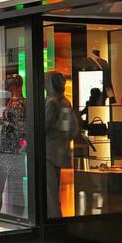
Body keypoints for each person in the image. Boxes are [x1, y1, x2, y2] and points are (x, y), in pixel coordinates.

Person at [44, 71, 80, 216]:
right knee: (53, 190)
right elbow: (69, 129)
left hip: (48, 151)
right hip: (59, 151)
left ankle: (54, 222)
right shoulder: (65, 101)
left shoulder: (51, 103)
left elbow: (43, 127)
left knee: (50, 192)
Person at [0, 73, 27, 215]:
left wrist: (3, 122)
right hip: (8, 148)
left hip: (12, 149)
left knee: (12, 185)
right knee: (2, 185)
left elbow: (20, 126)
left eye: (9, 85)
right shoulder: (14, 101)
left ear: (13, 86)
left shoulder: (20, 103)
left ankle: (13, 216)